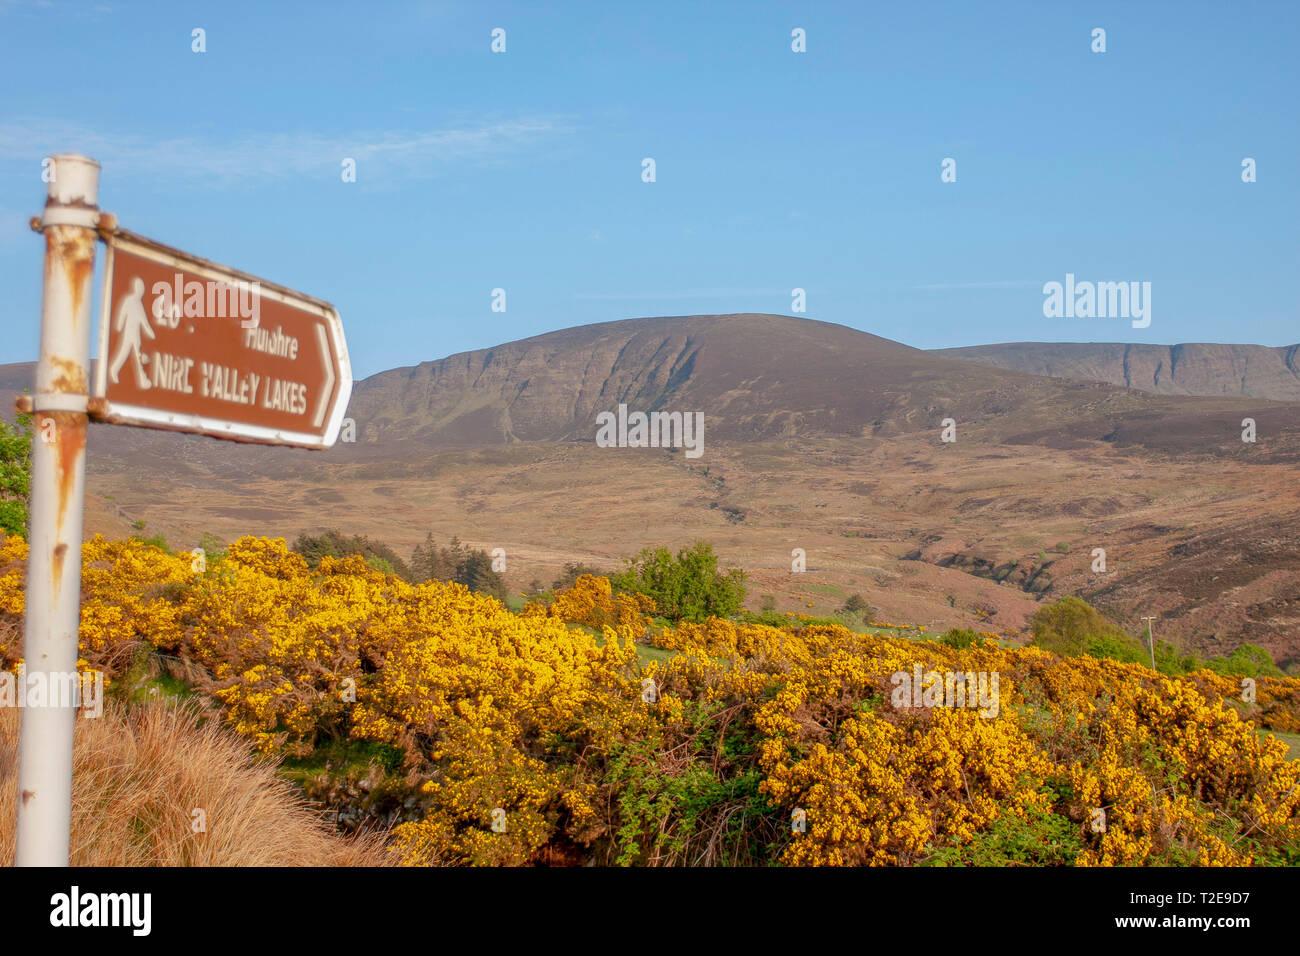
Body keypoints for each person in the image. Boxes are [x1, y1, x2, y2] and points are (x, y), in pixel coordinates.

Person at [108, 277, 154, 390]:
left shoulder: (139, 304)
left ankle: (142, 380)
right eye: (140, 287)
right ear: (136, 288)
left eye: (142, 288)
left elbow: (144, 322)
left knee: (137, 358)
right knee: (124, 353)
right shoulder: (129, 300)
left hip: (136, 335)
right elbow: (123, 313)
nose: (141, 290)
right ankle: (114, 370)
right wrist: (118, 326)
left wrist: (151, 333)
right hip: (128, 333)